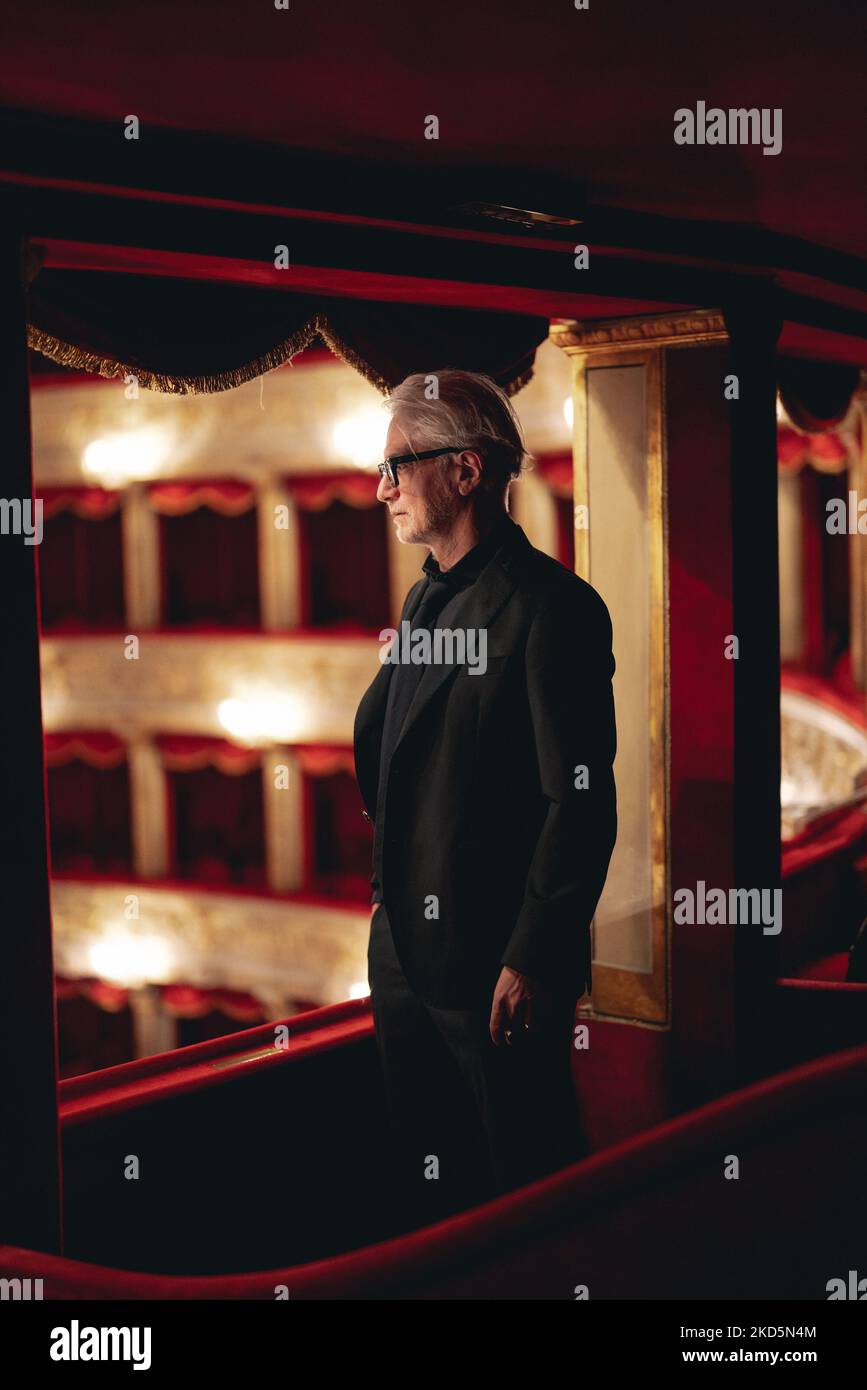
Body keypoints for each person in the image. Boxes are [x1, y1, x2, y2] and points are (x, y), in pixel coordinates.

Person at [353, 368, 617, 1224]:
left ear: (465, 471)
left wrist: (534, 953)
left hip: (494, 963)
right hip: (402, 950)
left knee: (525, 1187)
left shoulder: (554, 609)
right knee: (429, 1189)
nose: (382, 487)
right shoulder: (422, 598)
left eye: (399, 465)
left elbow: (576, 798)